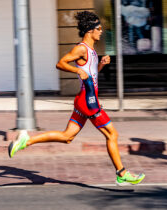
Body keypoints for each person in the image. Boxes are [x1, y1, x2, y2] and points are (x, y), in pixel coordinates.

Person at [8, 11, 145, 185]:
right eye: (99, 28)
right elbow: (61, 63)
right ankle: (122, 173)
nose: (101, 31)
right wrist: (76, 70)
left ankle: (26, 140)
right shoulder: (81, 48)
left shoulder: (91, 51)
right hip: (88, 101)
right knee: (112, 134)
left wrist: (101, 65)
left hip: (86, 98)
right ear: (90, 31)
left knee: (67, 137)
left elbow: (91, 75)